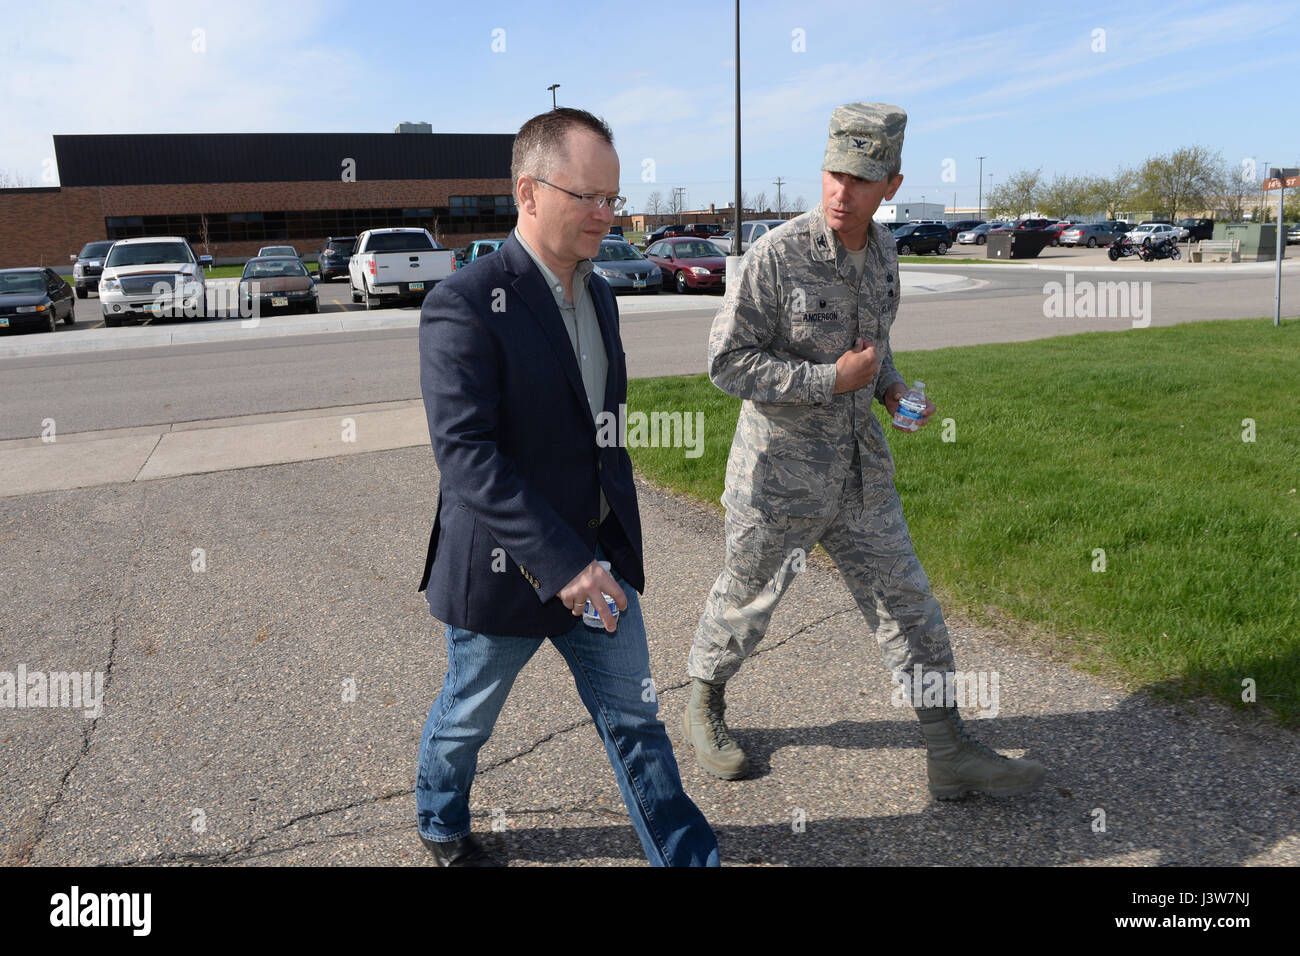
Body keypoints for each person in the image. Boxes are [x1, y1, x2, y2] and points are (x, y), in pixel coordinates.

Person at [682, 102, 1045, 800]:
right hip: (779, 480)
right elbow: (726, 363)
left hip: (859, 476)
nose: (841, 192)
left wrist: (891, 389)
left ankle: (948, 749)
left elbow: (875, 350)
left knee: (911, 606)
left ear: (891, 187)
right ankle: (703, 704)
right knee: (744, 604)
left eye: (860, 179)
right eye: (833, 173)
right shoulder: (778, 254)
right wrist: (828, 380)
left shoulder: (883, 257)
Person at [415, 107, 719, 866]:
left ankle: (687, 857)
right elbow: (467, 457)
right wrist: (562, 566)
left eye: (612, 197)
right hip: (506, 574)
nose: (606, 214)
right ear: (529, 191)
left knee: (637, 722)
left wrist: (602, 544)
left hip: (597, 561)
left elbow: (599, 429)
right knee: (467, 718)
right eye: (587, 196)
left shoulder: (602, 294)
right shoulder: (464, 304)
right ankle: (441, 820)